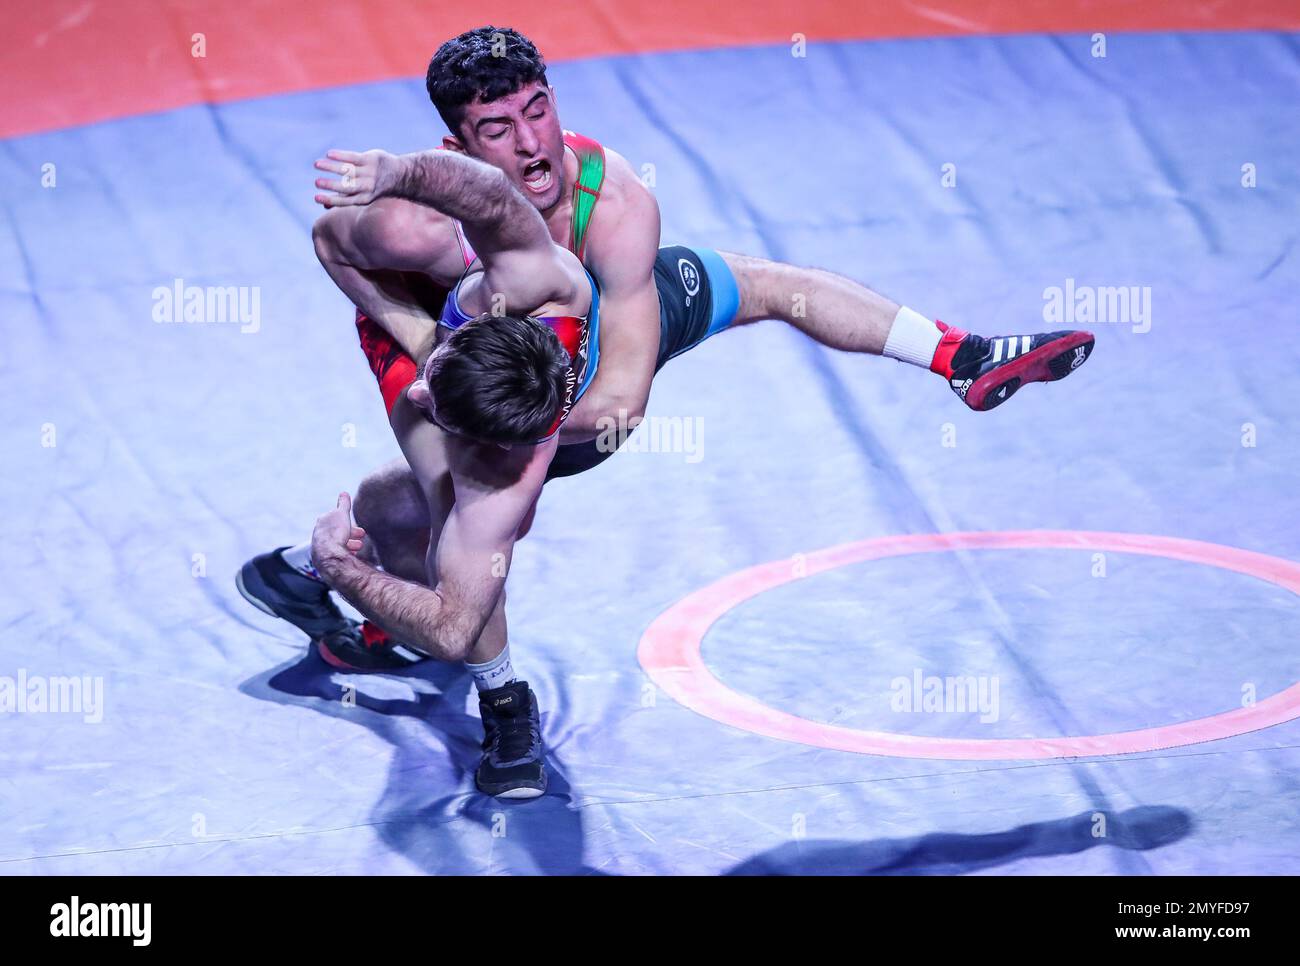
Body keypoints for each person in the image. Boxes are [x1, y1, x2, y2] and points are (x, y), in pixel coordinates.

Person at [238, 26, 1094, 799]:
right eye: (498, 130)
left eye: (539, 110)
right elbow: (329, 241)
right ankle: (504, 701)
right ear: (458, 144)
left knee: (769, 284)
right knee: (461, 518)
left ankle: (963, 357)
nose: (532, 140)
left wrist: (537, 415)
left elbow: (618, 407)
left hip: (551, 365)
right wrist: (425, 342)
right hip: (455, 369)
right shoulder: (421, 235)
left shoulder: (609, 210)